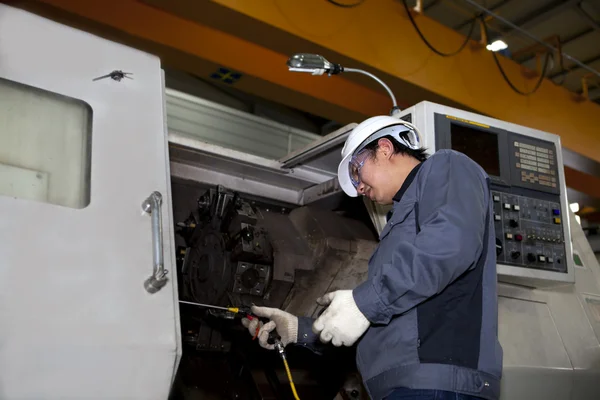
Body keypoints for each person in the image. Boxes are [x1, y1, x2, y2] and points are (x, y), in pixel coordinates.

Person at [241, 115, 503, 400]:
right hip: (402, 387)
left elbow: (450, 245)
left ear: (385, 148)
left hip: (435, 384)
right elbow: (380, 318)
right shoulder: (396, 228)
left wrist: (365, 304)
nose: (358, 188)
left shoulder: (448, 166)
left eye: (356, 171)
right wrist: (298, 330)